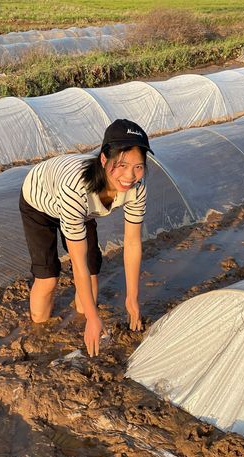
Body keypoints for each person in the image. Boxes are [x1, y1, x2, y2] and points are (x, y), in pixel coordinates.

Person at [18, 119, 151, 357]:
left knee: (92, 270)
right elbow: (75, 261)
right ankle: (40, 337)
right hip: (40, 200)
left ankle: (85, 324)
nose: (129, 175)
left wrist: (132, 299)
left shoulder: (137, 188)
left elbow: (132, 243)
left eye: (138, 166)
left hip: (83, 210)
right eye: (121, 165)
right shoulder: (77, 190)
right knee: (48, 277)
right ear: (104, 159)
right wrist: (93, 317)